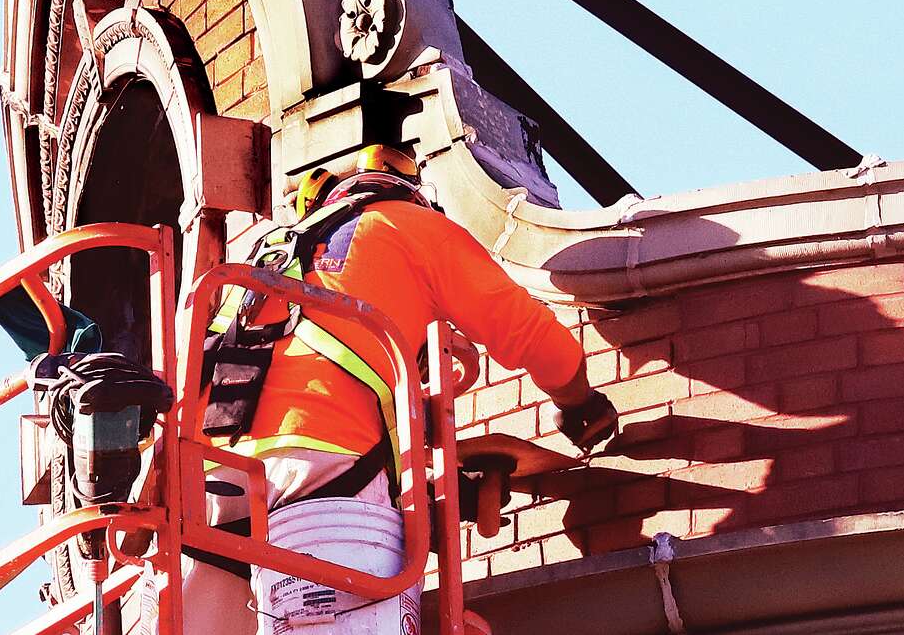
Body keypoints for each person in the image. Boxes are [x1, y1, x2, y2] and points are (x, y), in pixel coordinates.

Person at [181, 144, 617, 634]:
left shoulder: (267, 256)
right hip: (324, 468)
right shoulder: (407, 225)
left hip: (207, 482)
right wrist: (579, 403)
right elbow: (538, 340)